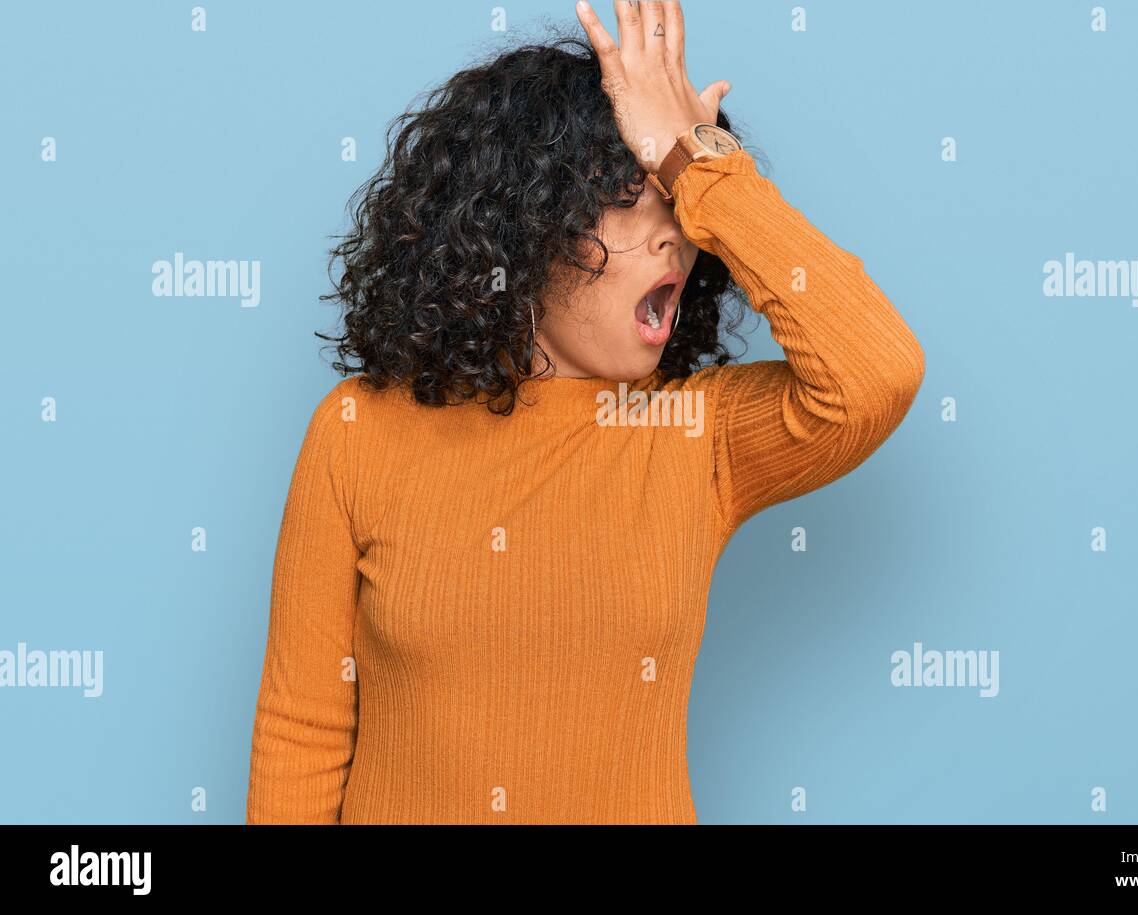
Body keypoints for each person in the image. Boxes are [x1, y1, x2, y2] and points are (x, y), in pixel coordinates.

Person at [246, 0, 925, 824]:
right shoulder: (357, 430)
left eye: (675, 208)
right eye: (629, 200)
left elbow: (877, 371)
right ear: (525, 225)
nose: (674, 238)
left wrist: (701, 164)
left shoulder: (693, 439)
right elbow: (302, 734)